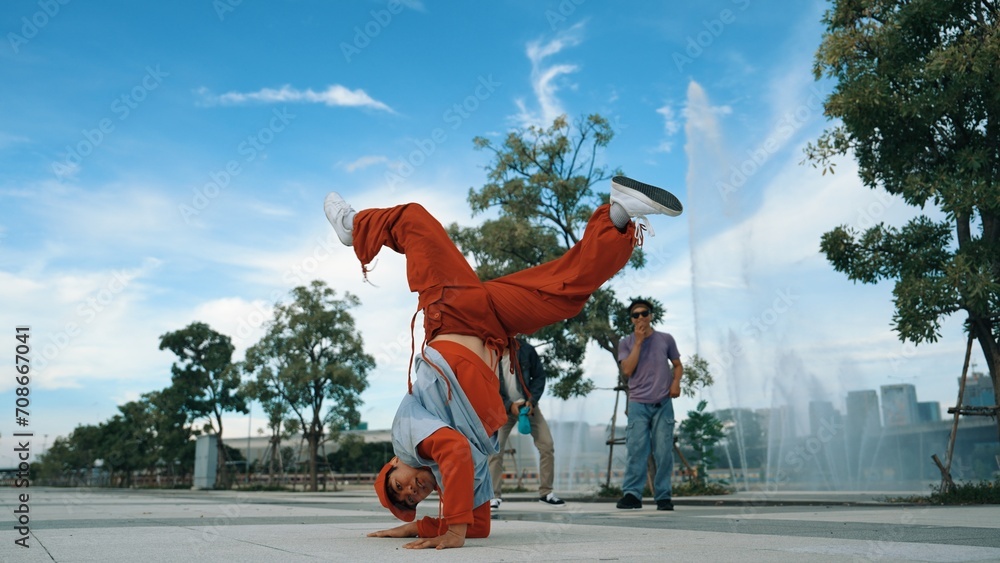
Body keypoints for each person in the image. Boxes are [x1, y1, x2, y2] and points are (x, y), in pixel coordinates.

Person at [324, 176, 681, 549]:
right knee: (566, 293)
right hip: (492, 324)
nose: (412, 490)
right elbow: (480, 526)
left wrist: (452, 531)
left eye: (401, 485)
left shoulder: (407, 441)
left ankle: (354, 228)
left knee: (414, 220)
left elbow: (454, 452)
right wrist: (423, 526)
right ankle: (619, 213)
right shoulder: (454, 477)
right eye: (414, 499)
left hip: (453, 314)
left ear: (393, 466)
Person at [616, 298, 683, 511]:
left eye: (644, 313)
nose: (640, 318)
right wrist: (638, 342)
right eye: (635, 315)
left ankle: (663, 496)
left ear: (651, 315)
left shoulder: (666, 339)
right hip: (638, 403)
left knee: (663, 451)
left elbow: (678, 365)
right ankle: (632, 495)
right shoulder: (626, 342)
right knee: (636, 449)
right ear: (631, 320)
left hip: (663, 402)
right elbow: (627, 370)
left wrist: (676, 383)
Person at [487, 337, 565, 509]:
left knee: (547, 445)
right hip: (502, 408)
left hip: (528, 406)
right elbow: (487, 385)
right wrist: (509, 405)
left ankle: (546, 493)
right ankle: (493, 496)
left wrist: (532, 401)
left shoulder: (526, 350)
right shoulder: (490, 353)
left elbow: (539, 377)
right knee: (494, 449)